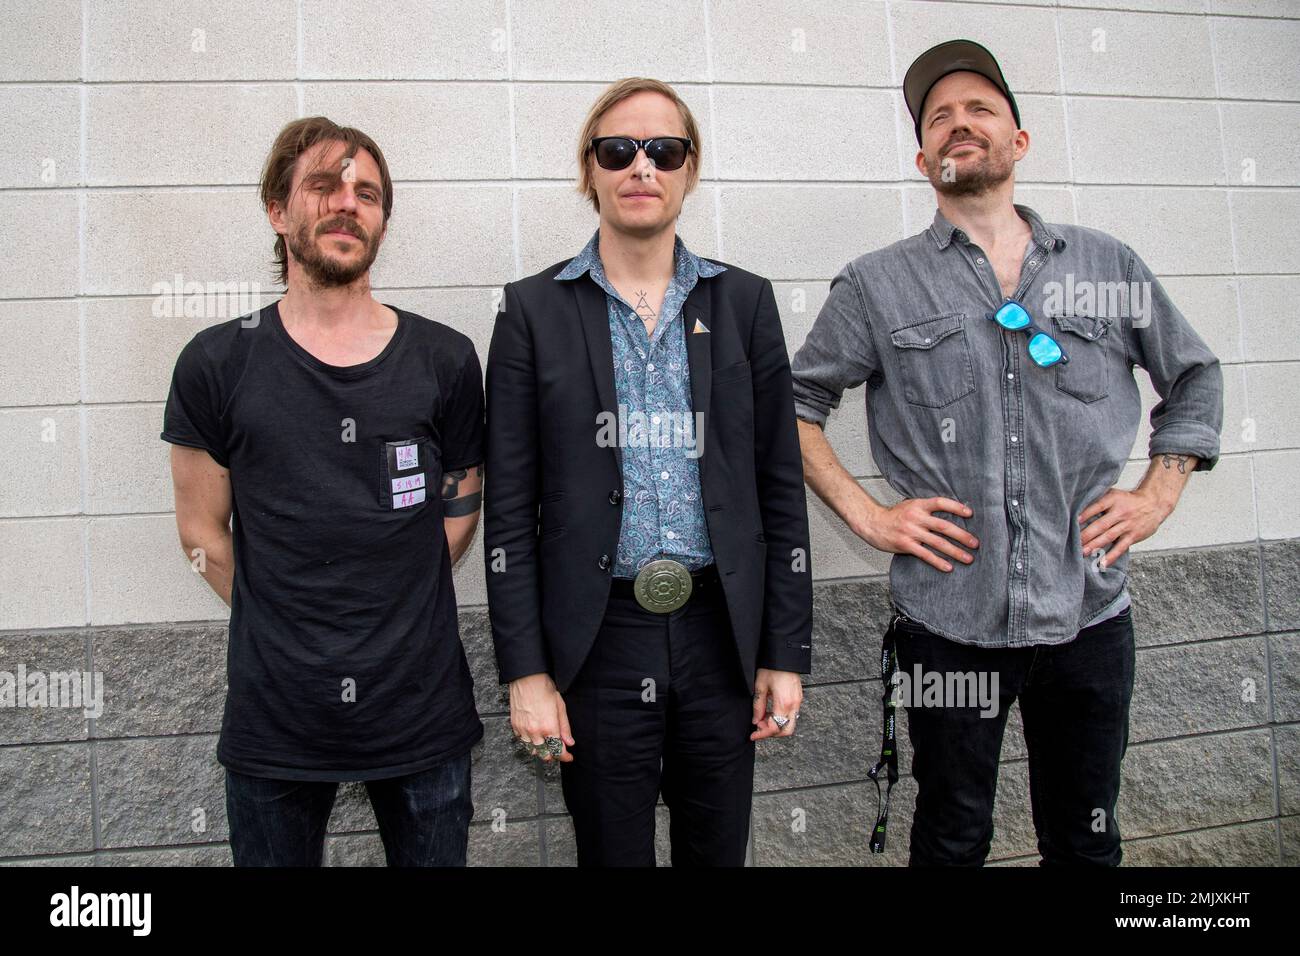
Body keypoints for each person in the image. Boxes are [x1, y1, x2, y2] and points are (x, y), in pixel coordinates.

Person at [790, 40, 1223, 866]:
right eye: (939, 116)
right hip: (949, 623)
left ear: (1017, 142)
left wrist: (1158, 493)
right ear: (923, 160)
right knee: (952, 833)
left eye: (980, 108)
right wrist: (869, 516)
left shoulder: (1105, 266)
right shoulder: (878, 284)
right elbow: (793, 408)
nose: (960, 123)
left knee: (1087, 832)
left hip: (1091, 613)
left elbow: (1195, 378)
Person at [484, 78, 813, 866]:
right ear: (589, 170)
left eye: (663, 150)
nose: (642, 167)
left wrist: (785, 653)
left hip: (718, 632)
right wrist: (526, 672)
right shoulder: (531, 311)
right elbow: (509, 510)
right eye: (617, 150)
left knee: (717, 852)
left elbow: (779, 486)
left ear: (689, 171)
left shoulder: (745, 303)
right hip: (600, 640)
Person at [161, 117, 485, 866]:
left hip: (421, 710)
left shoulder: (445, 359)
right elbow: (203, 537)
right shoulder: (216, 363)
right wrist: (292, 621)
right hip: (276, 717)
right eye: (323, 186)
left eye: (367, 193)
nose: (348, 203)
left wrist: (389, 591)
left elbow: (459, 504)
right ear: (278, 212)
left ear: (382, 220)